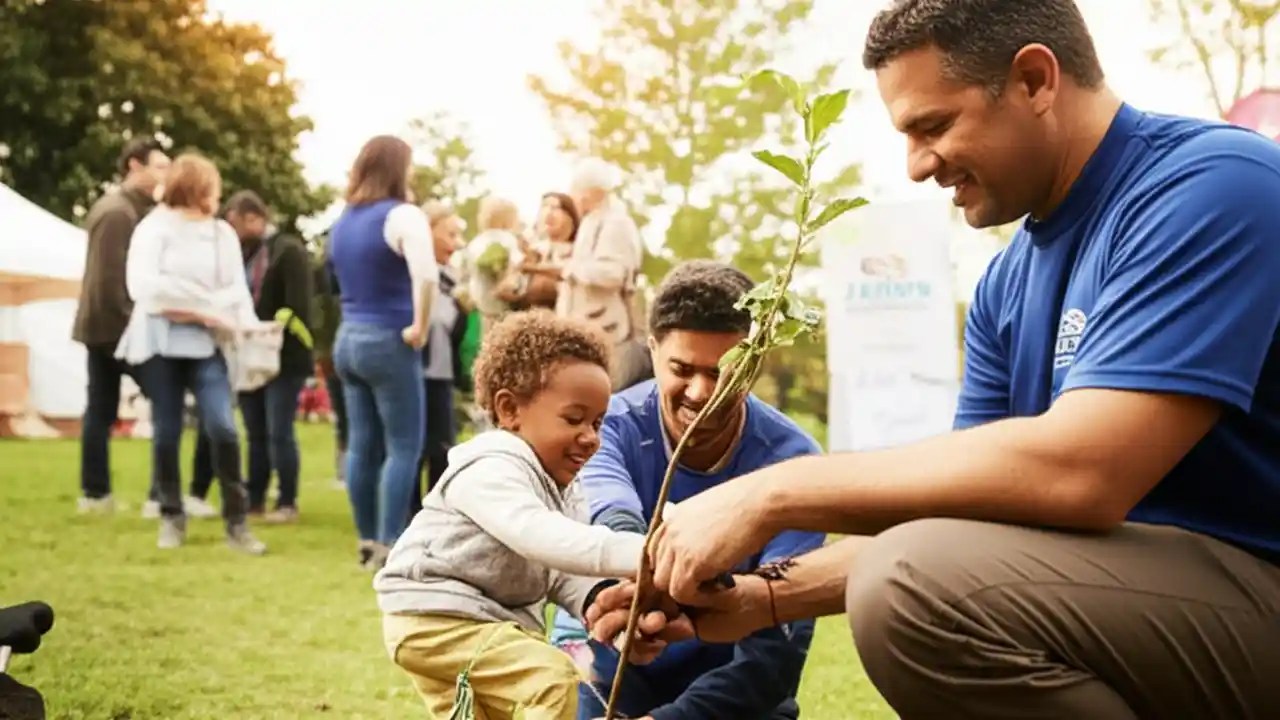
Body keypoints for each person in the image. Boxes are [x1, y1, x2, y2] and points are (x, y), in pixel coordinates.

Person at [587, 2, 1280, 718]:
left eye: (934, 126)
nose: (917, 166)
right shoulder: (1006, 286)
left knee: (909, 588)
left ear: (1035, 80)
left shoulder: (1213, 188)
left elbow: (1086, 472)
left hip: (1258, 591)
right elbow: (961, 529)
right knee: (914, 570)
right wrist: (758, 597)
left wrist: (768, 493)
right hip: (1158, 613)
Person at [553, 260, 824, 720]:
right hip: (604, 655)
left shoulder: (793, 463)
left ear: (754, 361)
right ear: (653, 350)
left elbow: (776, 653)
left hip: (731, 690)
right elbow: (610, 512)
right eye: (681, 368)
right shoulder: (605, 428)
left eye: (723, 372)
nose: (701, 392)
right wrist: (632, 589)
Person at [374, 310, 646, 720]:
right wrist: (648, 553)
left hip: (479, 626)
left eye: (598, 422)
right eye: (574, 419)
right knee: (553, 681)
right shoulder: (490, 467)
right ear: (509, 410)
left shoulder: (566, 486)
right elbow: (539, 536)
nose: (591, 437)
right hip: (437, 618)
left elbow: (560, 567)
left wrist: (597, 597)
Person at [114, 153, 266, 554]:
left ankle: (237, 522)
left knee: (223, 427)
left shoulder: (221, 234)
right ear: (199, 187)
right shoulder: (154, 229)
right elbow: (146, 289)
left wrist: (232, 318)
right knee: (166, 431)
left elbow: (236, 292)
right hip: (161, 343)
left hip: (207, 344)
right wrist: (205, 304)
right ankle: (170, 514)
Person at [328, 135, 438, 570]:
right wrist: (421, 326)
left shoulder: (344, 220)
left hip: (348, 338)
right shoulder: (403, 215)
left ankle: (366, 539)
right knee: (403, 445)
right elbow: (426, 276)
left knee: (362, 445)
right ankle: (392, 541)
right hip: (389, 338)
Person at [190, 191, 314, 522]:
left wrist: (272, 331)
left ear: (253, 218)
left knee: (278, 429)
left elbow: (299, 306)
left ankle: (287, 501)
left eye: (235, 223)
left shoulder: (287, 251)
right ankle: (254, 497)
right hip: (248, 355)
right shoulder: (243, 256)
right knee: (255, 429)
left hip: (283, 357)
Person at [73, 137, 171, 515]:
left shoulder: (130, 209)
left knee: (100, 410)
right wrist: (137, 328)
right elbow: (112, 282)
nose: (165, 174)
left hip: (104, 327)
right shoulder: (118, 213)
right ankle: (155, 494)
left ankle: (96, 495)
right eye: (159, 166)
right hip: (117, 329)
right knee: (165, 403)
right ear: (135, 166)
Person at [559, 158, 649, 391]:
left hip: (607, 332)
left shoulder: (615, 222)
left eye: (578, 193)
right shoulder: (593, 221)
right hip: (587, 332)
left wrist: (570, 269)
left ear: (590, 193)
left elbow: (613, 273)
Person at [410, 200, 467, 516]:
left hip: (441, 371)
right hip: (415, 370)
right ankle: (406, 515)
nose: (455, 243)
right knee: (412, 447)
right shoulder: (414, 275)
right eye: (449, 234)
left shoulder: (452, 280)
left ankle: (433, 514)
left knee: (442, 446)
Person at [496, 191, 579, 311]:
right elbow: (508, 288)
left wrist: (532, 267)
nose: (548, 212)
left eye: (555, 207)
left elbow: (569, 272)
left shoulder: (578, 250)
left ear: (570, 216)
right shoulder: (534, 250)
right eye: (544, 206)